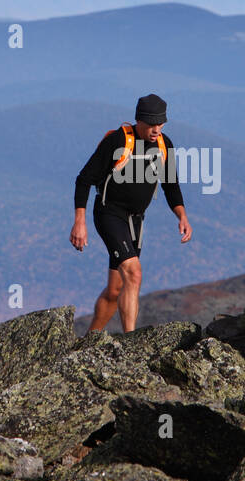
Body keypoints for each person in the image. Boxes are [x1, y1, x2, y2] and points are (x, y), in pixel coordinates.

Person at [71, 93, 192, 333]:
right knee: (134, 273)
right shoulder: (117, 141)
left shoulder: (164, 145)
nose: (156, 129)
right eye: (151, 124)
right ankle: (131, 341)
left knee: (115, 289)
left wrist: (182, 216)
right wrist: (79, 222)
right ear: (139, 121)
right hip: (109, 214)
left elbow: (171, 185)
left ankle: (88, 341)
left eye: (161, 124)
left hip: (135, 222)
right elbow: (84, 180)